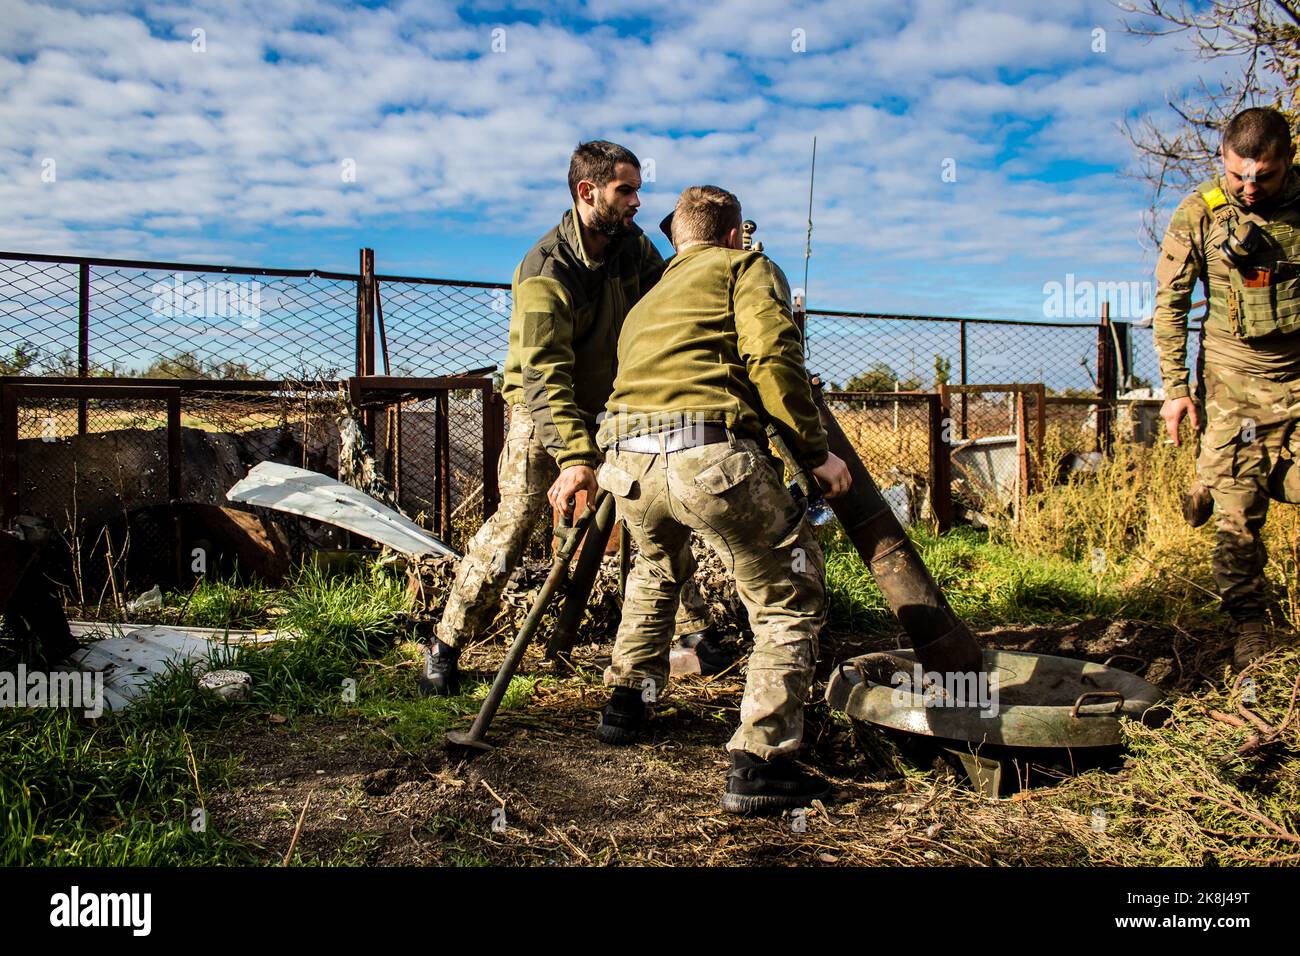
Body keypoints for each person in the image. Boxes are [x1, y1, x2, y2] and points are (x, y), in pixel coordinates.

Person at [422, 142, 727, 695]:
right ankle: (447, 643)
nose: (637, 201)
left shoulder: (634, 248)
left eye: (639, 189)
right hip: (544, 411)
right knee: (516, 524)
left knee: (652, 513)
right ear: (587, 193)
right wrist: (576, 457)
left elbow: (672, 300)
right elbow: (543, 377)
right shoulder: (546, 268)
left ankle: (698, 634)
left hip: (616, 406)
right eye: (625, 190)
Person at [591, 184, 852, 814]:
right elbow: (771, 356)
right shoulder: (748, 268)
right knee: (789, 594)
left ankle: (627, 702)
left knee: (654, 571)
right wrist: (814, 454)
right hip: (705, 455)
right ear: (735, 233)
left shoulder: (648, 293)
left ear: (678, 238)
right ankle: (761, 760)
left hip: (626, 465)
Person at [1153, 106, 1300, 669]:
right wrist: (1174, 388)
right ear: (1222, 161)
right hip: (1235, 383)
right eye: (1238, 175)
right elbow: (1170, 304)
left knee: (1257, 479)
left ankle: (1211, 473)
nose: (1249, 187)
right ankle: (1250, 627)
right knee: (1241, 511)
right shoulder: (1200, 213)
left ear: (1287, 160)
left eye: (1264, 176)